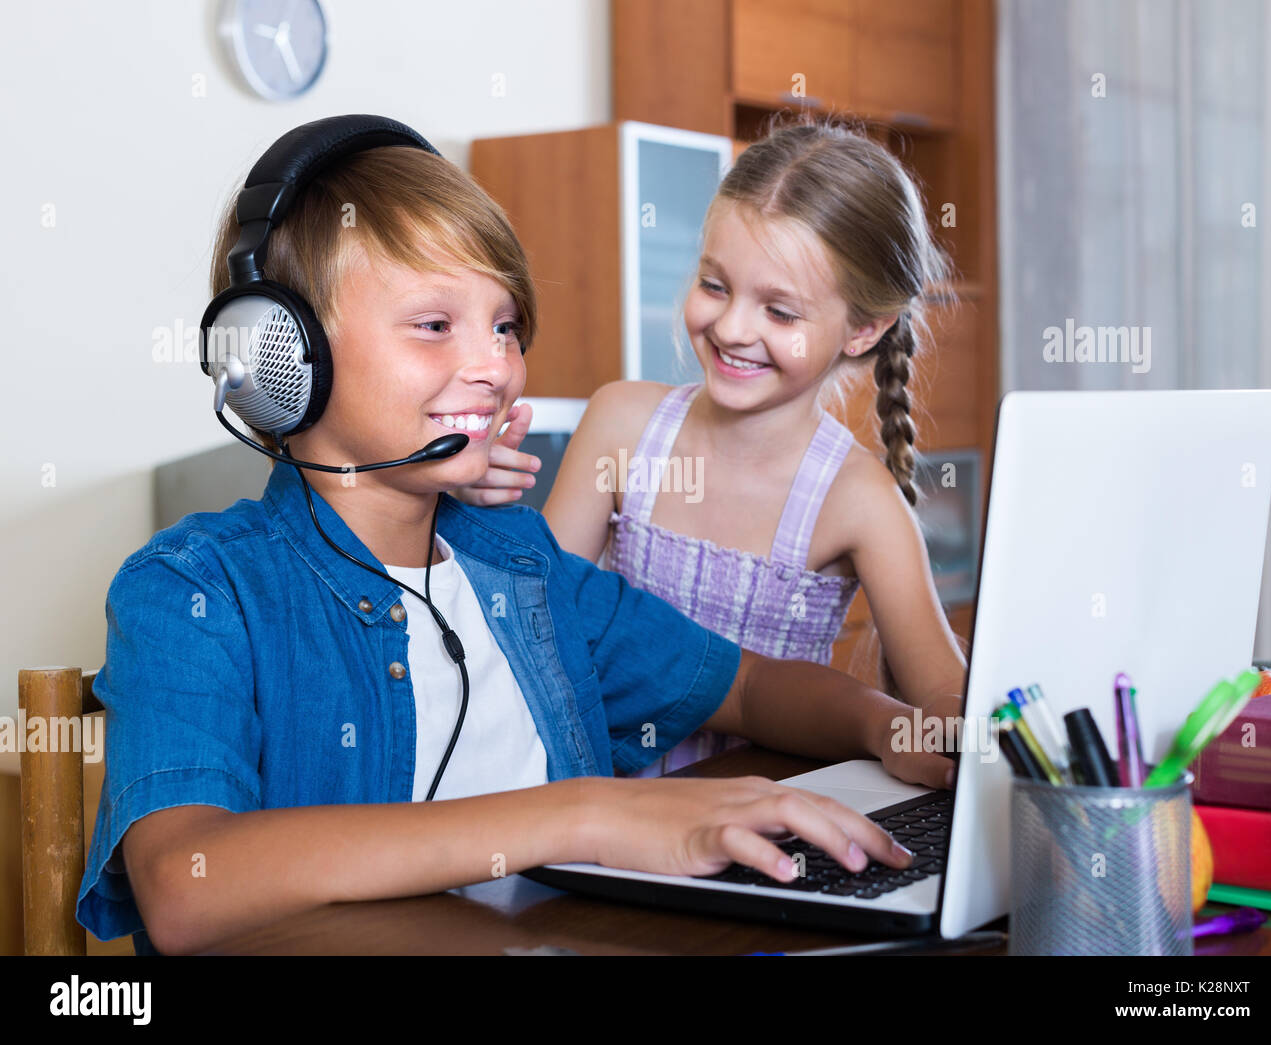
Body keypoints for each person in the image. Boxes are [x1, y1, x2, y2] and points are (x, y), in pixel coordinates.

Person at [76, 125, 955, 956]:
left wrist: (881, 725)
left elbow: (750, 685)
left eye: (504, 326)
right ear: (280, 355)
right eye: (435, 325)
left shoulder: (524, 568)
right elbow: (184, 883)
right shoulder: (195, 589)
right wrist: (580, 814)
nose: (495, 366)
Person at [456, 119, 969, 776]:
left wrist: (962, 724)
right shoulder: (621, 424)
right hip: (613, 806)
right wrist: (473, 510)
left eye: (779, 312)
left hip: (765, 814)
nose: (731, 327)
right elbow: (537, 627)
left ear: (864, 329)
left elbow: (943, 693)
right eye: (715, 285)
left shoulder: (858, 498)